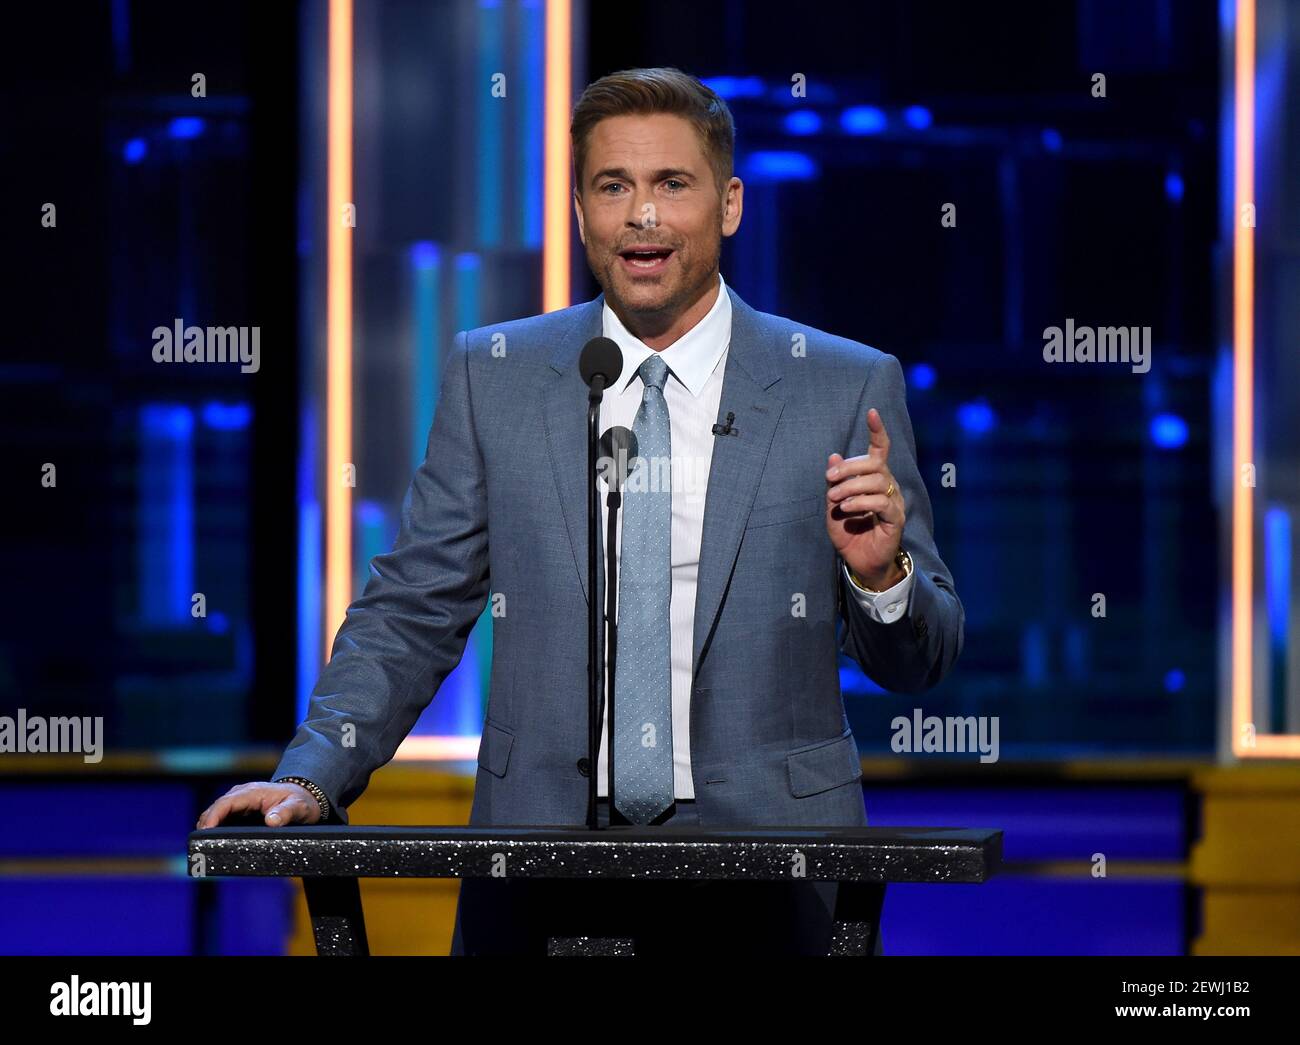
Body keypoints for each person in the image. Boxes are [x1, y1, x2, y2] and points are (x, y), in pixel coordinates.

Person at [198, 66, 964, 955]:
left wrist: (882, 580)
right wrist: (313, 774)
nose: (642, 216)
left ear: (730, 205)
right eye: (614, 187)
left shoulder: (840, 383)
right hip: (539, 861)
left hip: (771, 869)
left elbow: (926, 658)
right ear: (579, 212)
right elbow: (413, 608)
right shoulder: (497, 375)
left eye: (672, 185)